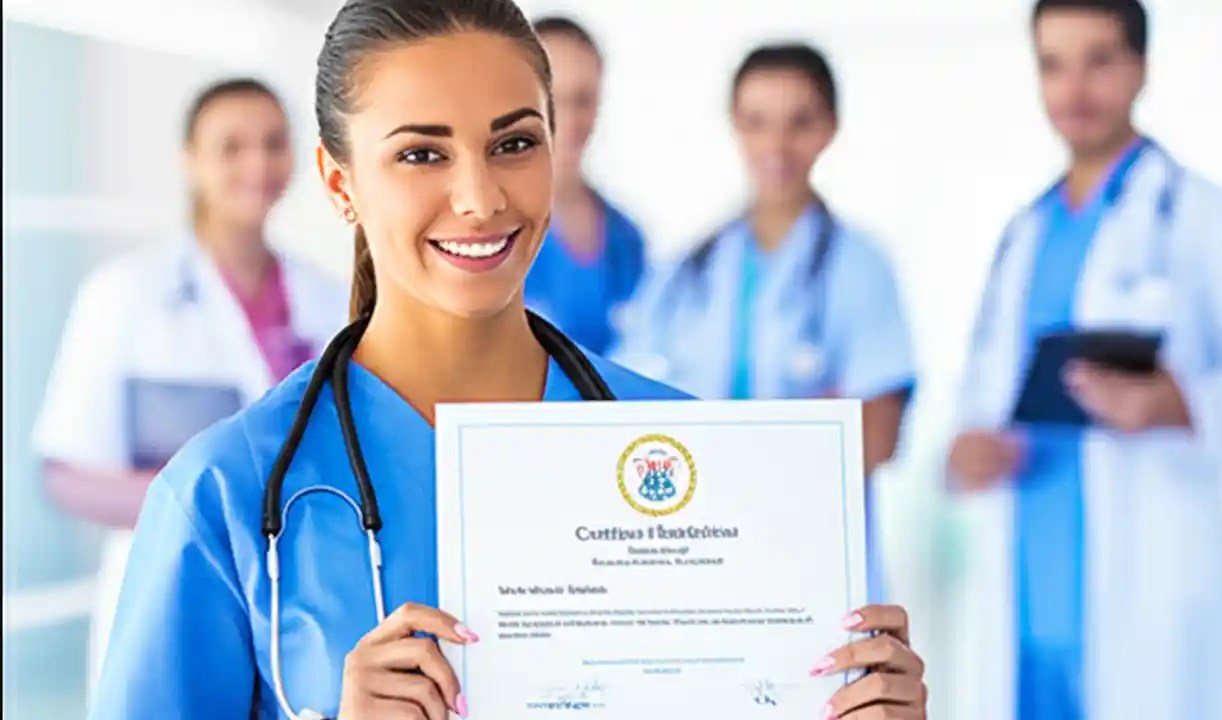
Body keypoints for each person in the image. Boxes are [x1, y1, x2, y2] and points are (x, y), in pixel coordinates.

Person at [89, 2, 927, 719]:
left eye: (514, 144)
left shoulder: (682, 454)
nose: (482, 197)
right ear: (339, 183)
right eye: (422, 153)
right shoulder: (224, 493)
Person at [945, 1, 1222, 719]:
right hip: (1028, 573)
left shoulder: (1205, 216)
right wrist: (965, 450)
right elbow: (982, 386)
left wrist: (1174, 402)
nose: (1075, 89)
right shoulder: (1023, 232)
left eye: (1099, 60)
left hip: (1147, 567)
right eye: (1053, 65)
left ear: (1141, 67)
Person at [33, 77, 346, 699]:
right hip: (163, 582)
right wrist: (201, 501)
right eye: (231, 146)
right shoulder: (123, 295)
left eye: (272, 143)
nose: (257, 163)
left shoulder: (328, 299)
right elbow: (64, 472)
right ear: (189, 160)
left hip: (296, 589)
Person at [612, 43, 916, 474]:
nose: (776, 144)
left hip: (810, 521)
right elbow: (620, 403)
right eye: (757, 122)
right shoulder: (685, 270)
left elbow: (879, 435)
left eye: (800, 123)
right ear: (735, 125)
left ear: (830, 128)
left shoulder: (860, 266)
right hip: (699, 518)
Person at [522, 15, 647, 355]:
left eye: (582, 99)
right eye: (552, 99)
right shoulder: (484, 230)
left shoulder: (627, 240)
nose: (569, 119)